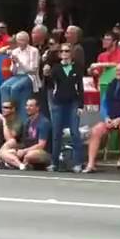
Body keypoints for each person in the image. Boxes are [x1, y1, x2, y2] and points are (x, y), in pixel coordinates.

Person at [82, 62, 120, 173]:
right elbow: (104, 104)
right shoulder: (112, 85)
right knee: (96, 130)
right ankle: (91, 164)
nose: (118, 72)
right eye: (117, 70)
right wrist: (106, 117)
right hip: (111, 117)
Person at [43, 43, 84, 171]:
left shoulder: (77, 68)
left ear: (71, 53)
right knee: (56, 133)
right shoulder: (56, 68)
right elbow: (49, 85)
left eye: (67, 51)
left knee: (74, 132)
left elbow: (80, 87)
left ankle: (78, 163)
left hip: (73, 103)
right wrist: (46, 75)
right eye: (62, 51)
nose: (64, 54)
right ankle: (55, 163)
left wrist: (81, 105)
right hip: (58, 102)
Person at [0, 96, 51, 171]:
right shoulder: (27, 122)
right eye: (26, 105)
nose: (27, 108)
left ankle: (15, 164)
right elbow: (24, 142)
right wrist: (17, 150)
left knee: (29, 155)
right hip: (27, 150)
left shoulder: (43, 122)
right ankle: (21, 165)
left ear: (37, 108)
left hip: (43, 152)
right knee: (5, 153)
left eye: (31, 106)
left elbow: (41, 145)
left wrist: (24, 151)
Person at [0, 31, 41, 116]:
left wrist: (19, 62)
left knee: (15, 88)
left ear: (27, 40)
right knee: (3, 87)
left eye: (22, 40)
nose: (20, 42)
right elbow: (13, 71)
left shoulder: (33, 51)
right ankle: (7, 112)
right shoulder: (15, 51)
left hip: (30, 76)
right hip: (17, 75)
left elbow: (33, 70)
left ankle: (17, 113)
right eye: (18, 40)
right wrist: (14, 63)